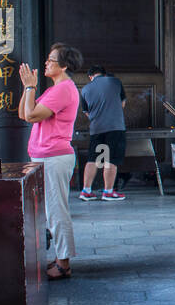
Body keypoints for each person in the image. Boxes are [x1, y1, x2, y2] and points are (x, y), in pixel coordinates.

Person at [19, 44, 85, 280]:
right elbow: (23, 113)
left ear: (64, 66)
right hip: (45, 156)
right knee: (50, 210)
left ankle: (63, 263)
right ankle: (60, 258)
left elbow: (32, 115)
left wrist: (29, 87)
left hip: (54, 156)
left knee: (56, 210)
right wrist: (28, 89)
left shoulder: (63, 90)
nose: (46, 63)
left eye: (51, 60)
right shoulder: (54, 89)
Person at [78, 64, 127, 201]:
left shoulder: (85, 89)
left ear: (90, 76)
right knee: (111, 159)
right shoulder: (115, 82)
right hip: (115, 127)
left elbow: (86, 112)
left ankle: (86, 191)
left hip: (96, 129)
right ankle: (108, 192)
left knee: (93, 159)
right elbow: (122, 103)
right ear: (104, 74)